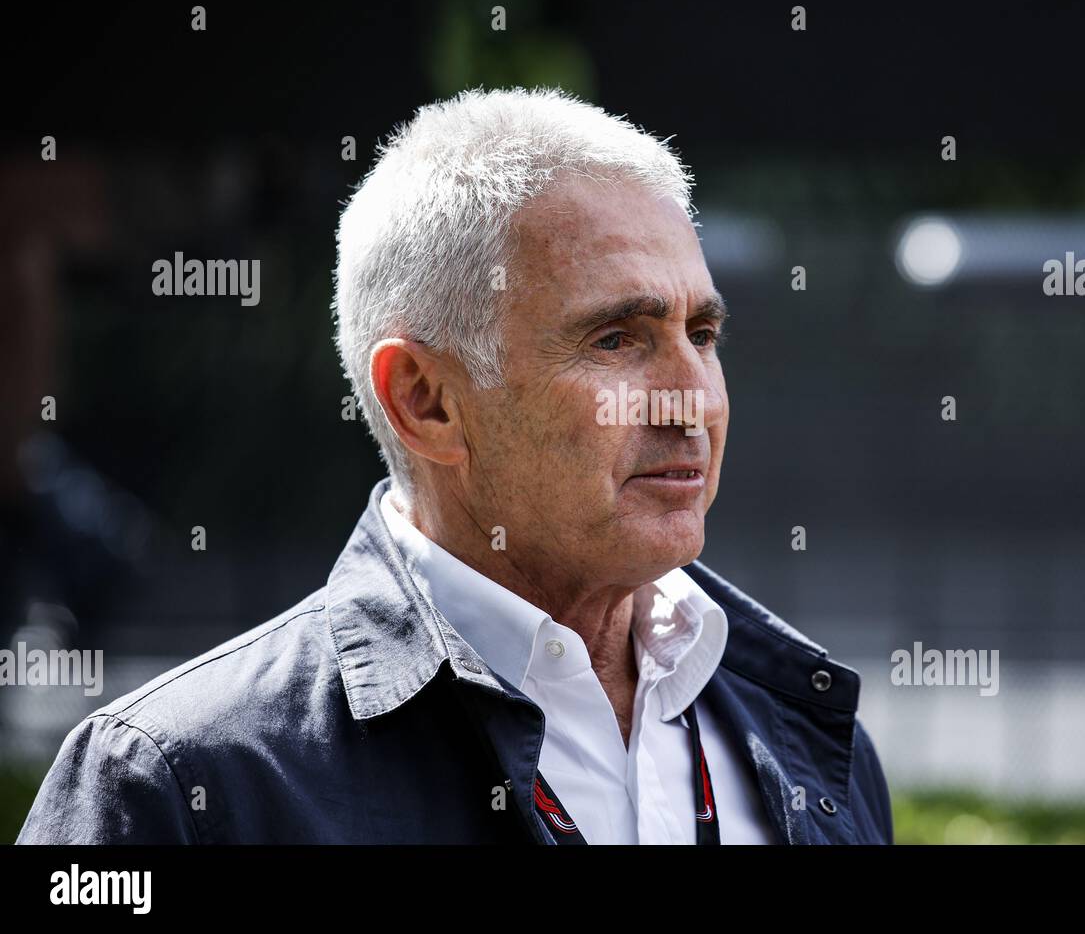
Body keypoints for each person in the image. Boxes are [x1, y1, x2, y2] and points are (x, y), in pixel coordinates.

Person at [17, 87, 892, 844]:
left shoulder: (814, 740)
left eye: (702, 334)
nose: (691, 400)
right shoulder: (176, 786)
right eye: (616, 340)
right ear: (426, 401)